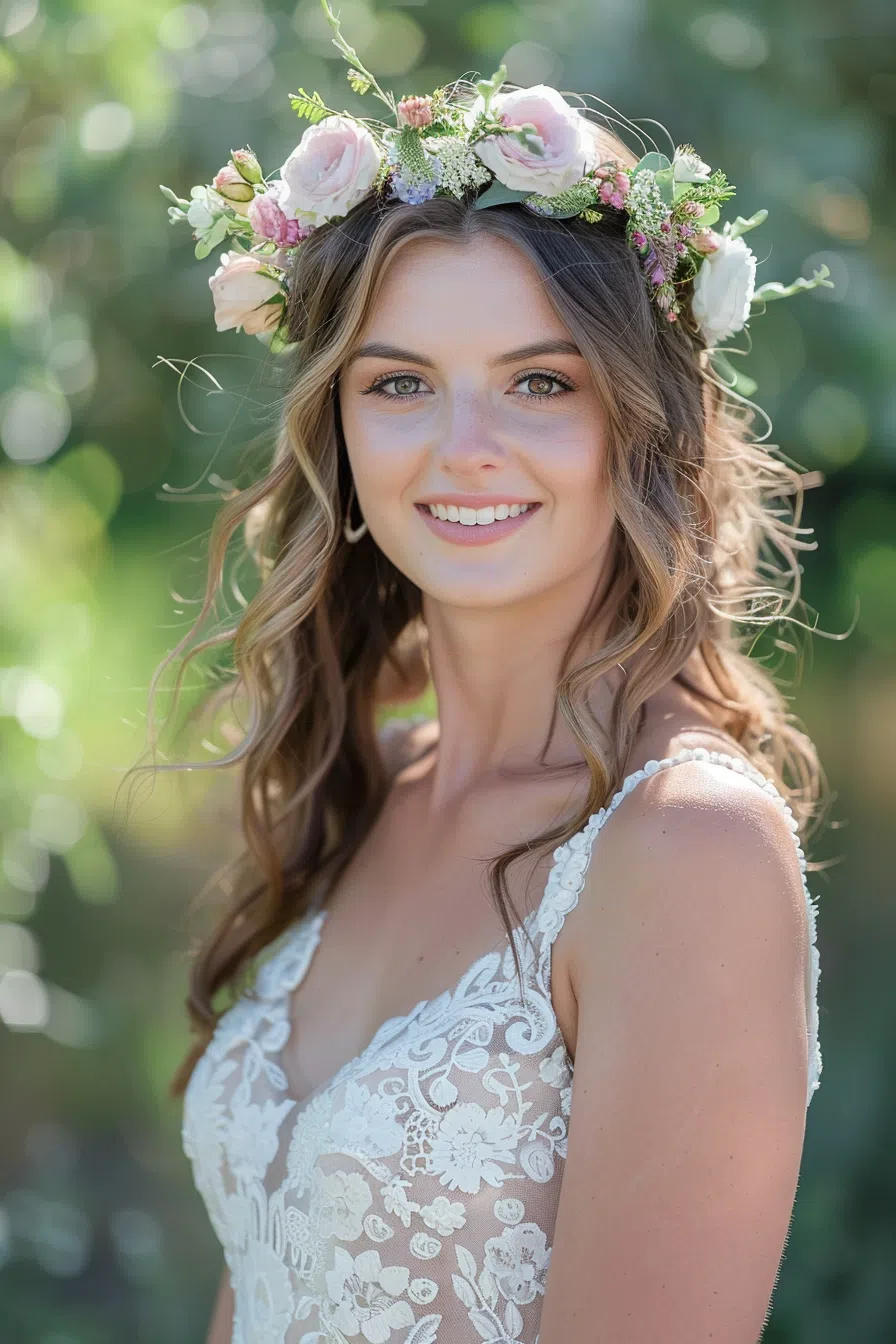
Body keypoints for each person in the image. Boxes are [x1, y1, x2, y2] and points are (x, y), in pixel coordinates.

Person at [157, 11, 828, 1341]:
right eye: (400, 384)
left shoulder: (683, 852)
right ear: (339, 430)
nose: (464, 448)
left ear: (638, 425)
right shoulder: (378, 790)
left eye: (537, 383)